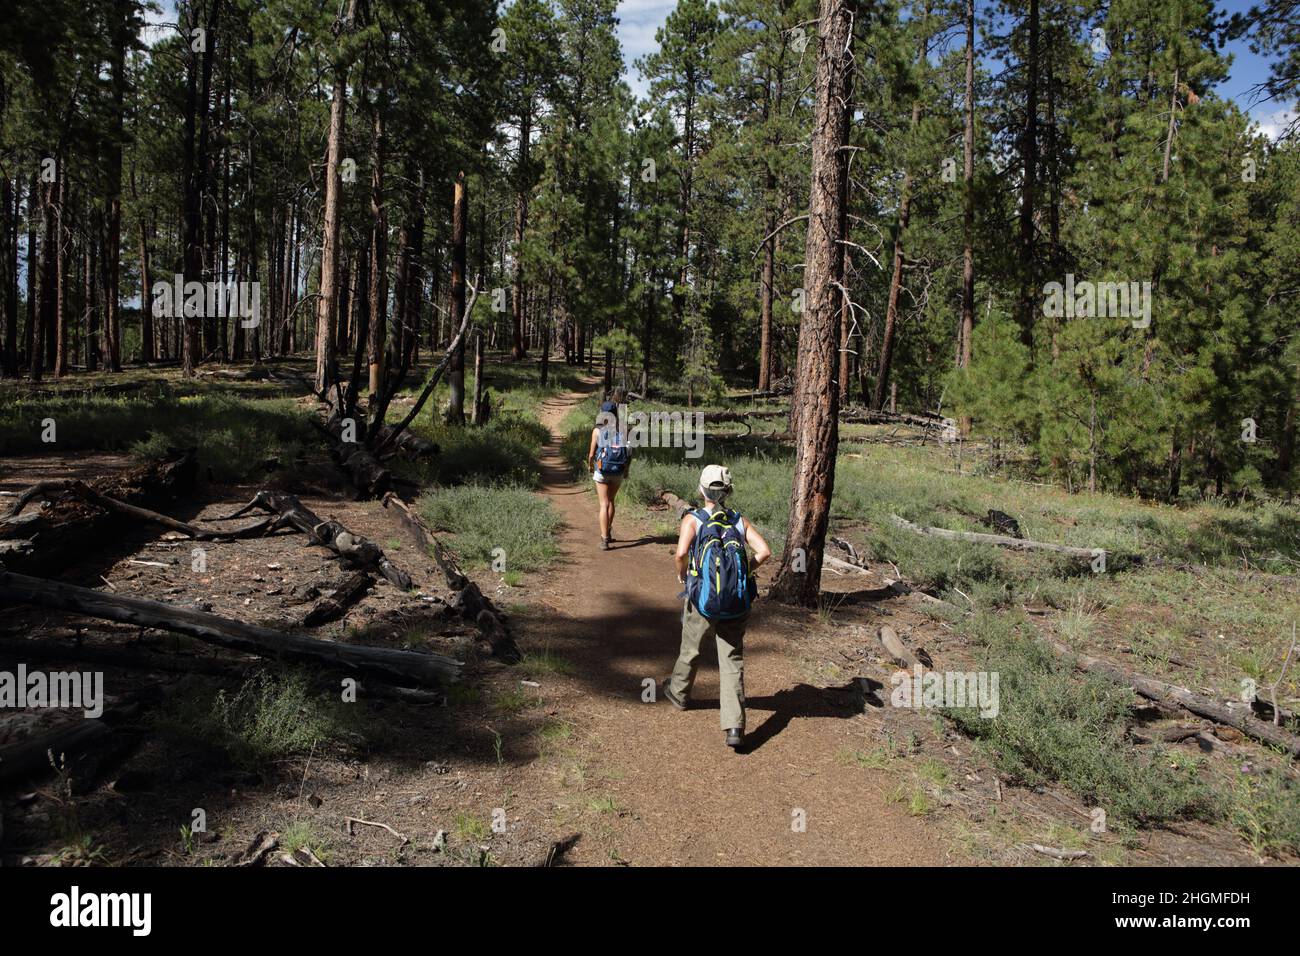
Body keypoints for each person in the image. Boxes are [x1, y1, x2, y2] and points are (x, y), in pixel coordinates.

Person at [663, 464, 771, 749]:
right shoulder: (739, 521)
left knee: (692, 647)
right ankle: (734, 726)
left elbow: (682, 553)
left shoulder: (693, 520)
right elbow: (764, 551)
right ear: (728, 492)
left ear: (701, 490)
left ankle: (679, 693)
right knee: (732, 660)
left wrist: (683, 574)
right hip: (736, 602)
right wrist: (746, 571)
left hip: (703, 599)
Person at [584, 388, 630, 550]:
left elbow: (591, 454)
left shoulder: (597, 431)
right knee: (611, 501)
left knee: (603, 504)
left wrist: (590, 466)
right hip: (617, 471)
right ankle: (608, 532)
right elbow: (628, 453)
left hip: (602, 470)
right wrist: (626, 471)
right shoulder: (623, 431)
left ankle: (604, 539)